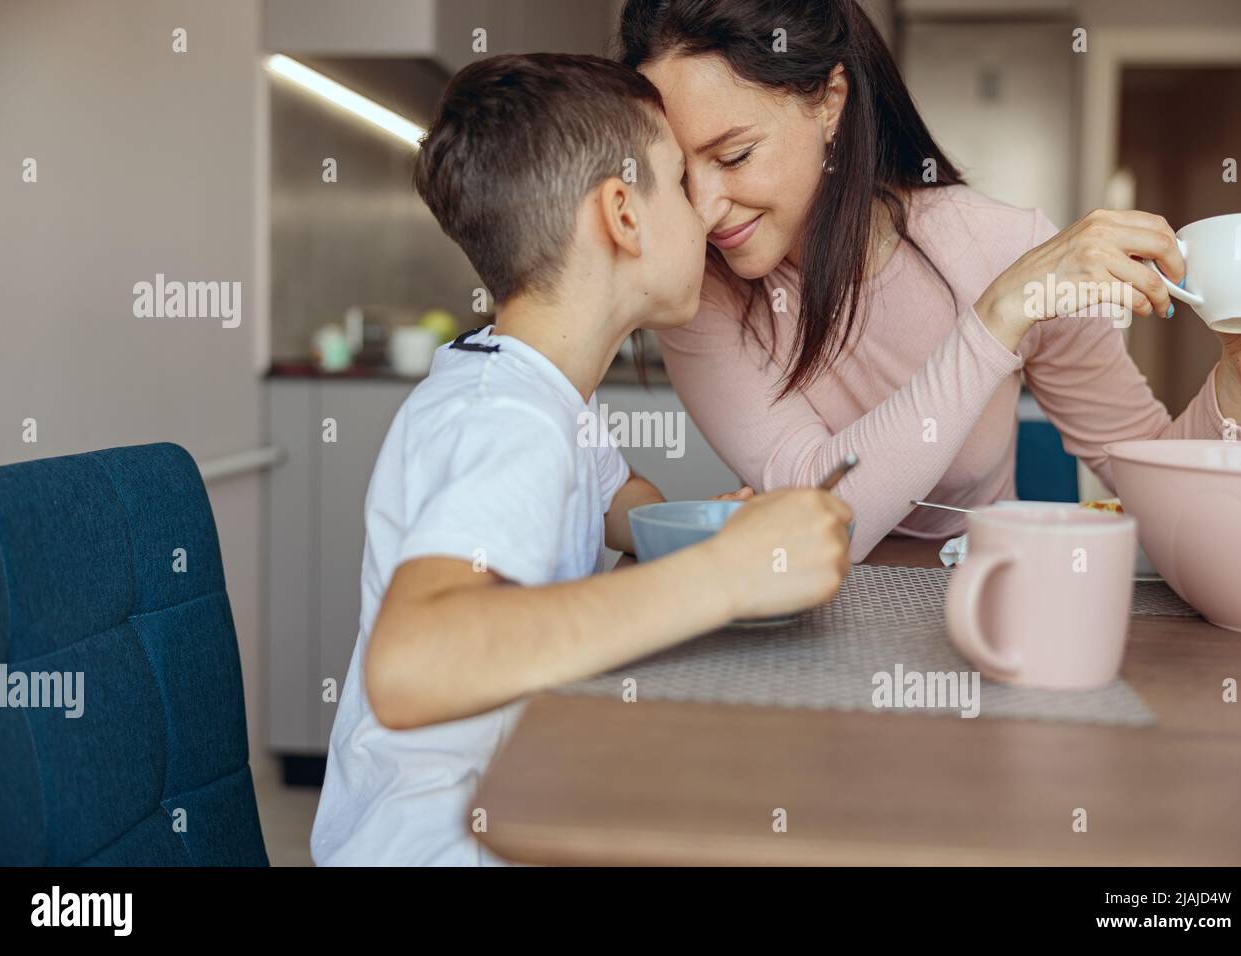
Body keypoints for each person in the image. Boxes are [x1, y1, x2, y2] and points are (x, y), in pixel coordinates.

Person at [310, 53, 854, 866]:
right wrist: (726, 576)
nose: (706, 207)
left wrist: (716, 528)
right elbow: (413, 661)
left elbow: (620, 501)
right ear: (624, 217)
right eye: (677, 179)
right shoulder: (508, 423)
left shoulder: (535, 389)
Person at [617, 0, 1241, 560]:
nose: (701, 209)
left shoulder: (1001, 246)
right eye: (679, 172)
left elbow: (1160, 494)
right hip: (801, 627)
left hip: (987, 606)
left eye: (734, 155)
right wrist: (993, 319)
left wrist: (1240, 383)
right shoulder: (701, 292)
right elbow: (819, 508)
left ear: (829, 102)